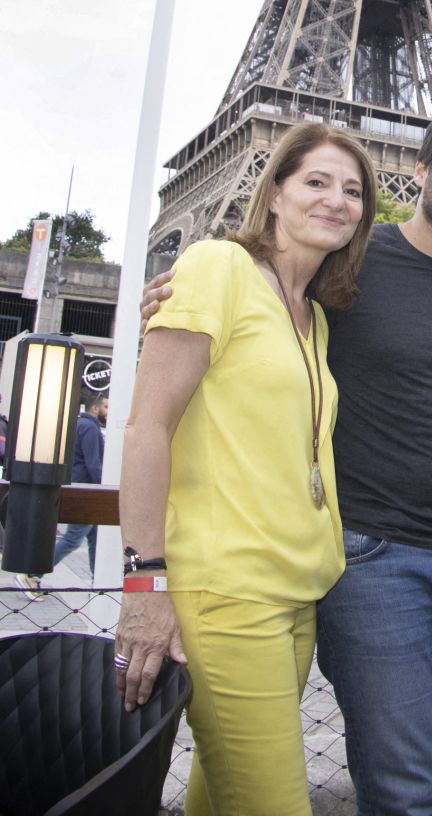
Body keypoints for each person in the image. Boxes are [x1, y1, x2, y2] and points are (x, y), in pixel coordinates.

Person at [143, 108, 432, 816]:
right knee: (403, 797)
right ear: (421, 169)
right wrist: (172, 303)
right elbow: (252, 300)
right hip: (374, 558)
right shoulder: (347, 259)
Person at [117, 121, 376, 816]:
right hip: (228, 594)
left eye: (353, 191)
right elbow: (146, 429)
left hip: (297, 594)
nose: (336, 200)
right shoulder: (217, 267)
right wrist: (144, 583)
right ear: (274, 194)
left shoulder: (314, 318)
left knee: (220, 795)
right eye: (316, 182)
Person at [53, 393, 109, 575]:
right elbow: (93, 464)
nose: (109, 412)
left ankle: (96, 578)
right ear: (95, 408)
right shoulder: (90, 428)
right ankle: (32, 573)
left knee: (95, 537)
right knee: (73, 538)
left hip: (80, 486)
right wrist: (106, 484)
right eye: (106, 407)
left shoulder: (79, 424)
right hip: (86, 490)